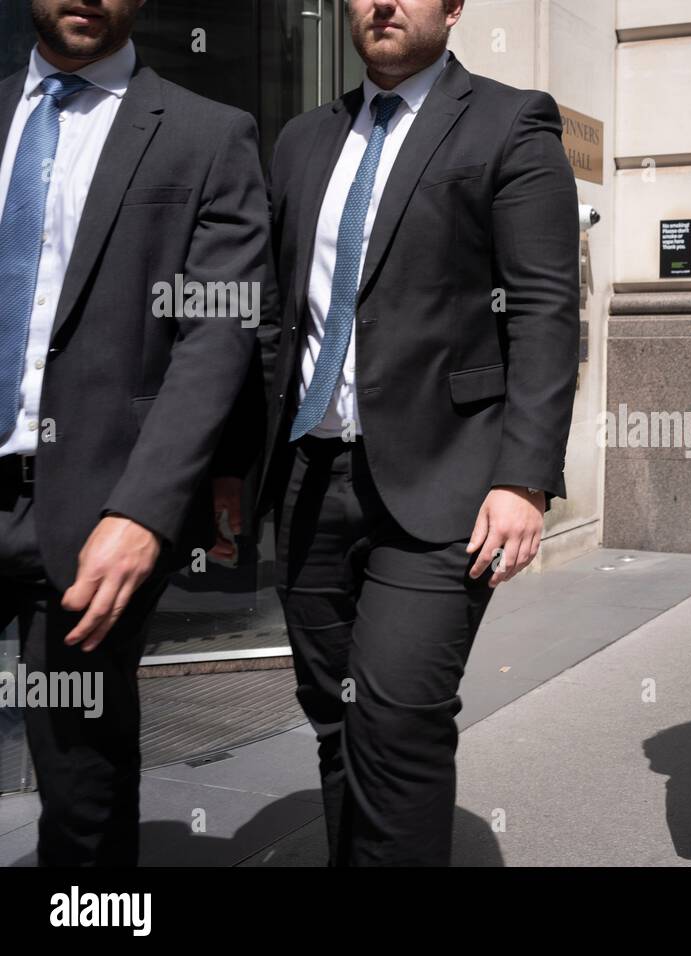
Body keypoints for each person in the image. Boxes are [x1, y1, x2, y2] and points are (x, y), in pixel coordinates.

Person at [259, 0, 579, 866]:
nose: (382, 3)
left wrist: (524, 478)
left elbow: (546, 311)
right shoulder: (301, 141)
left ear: (453, 6)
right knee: (337, 720)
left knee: (397, 717)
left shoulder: (512, 123)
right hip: (309, 478)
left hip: (447, 482)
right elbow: (274, 320)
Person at [0, 0, 269, 864]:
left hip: (92, 510)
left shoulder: (208, 134)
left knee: (83, 783)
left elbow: (216, 336)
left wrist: (148, 510)